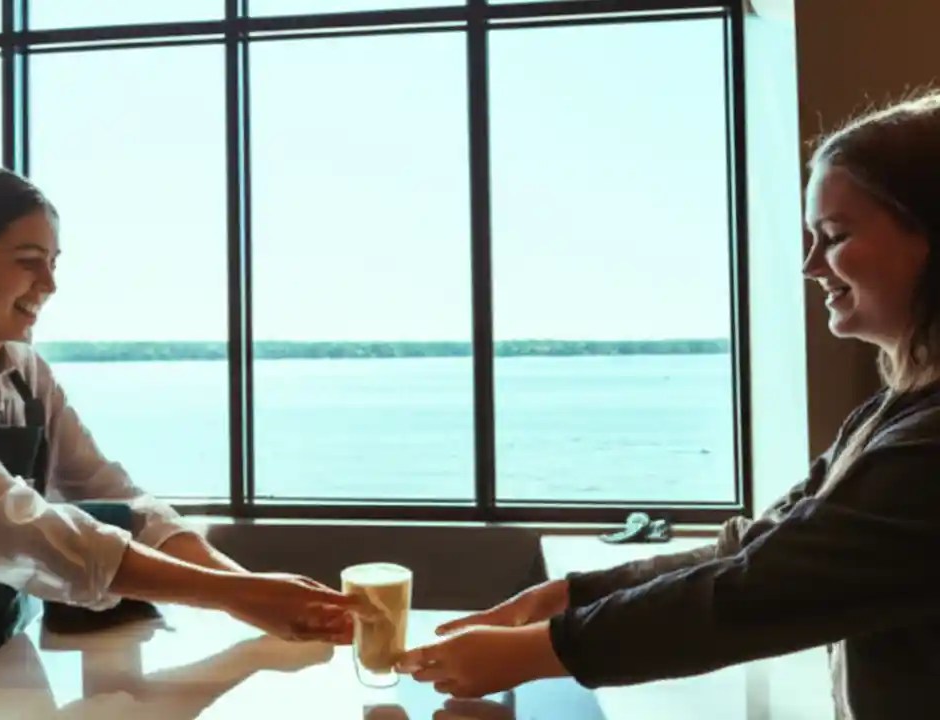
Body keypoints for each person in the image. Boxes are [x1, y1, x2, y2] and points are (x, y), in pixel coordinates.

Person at [399, 90, 940, 719]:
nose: (810, 265)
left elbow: (760, 590)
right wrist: (573, 594)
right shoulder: (890, 414)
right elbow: (759, 545)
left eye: (834, 236)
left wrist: (542, 649)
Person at [0, 167, 356, 719]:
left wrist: (246, 589)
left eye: (53, 263)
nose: (49, 285)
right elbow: (22, 525)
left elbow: (120, 502)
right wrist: (236, 596)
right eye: (29, 263)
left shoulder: (28, 377)